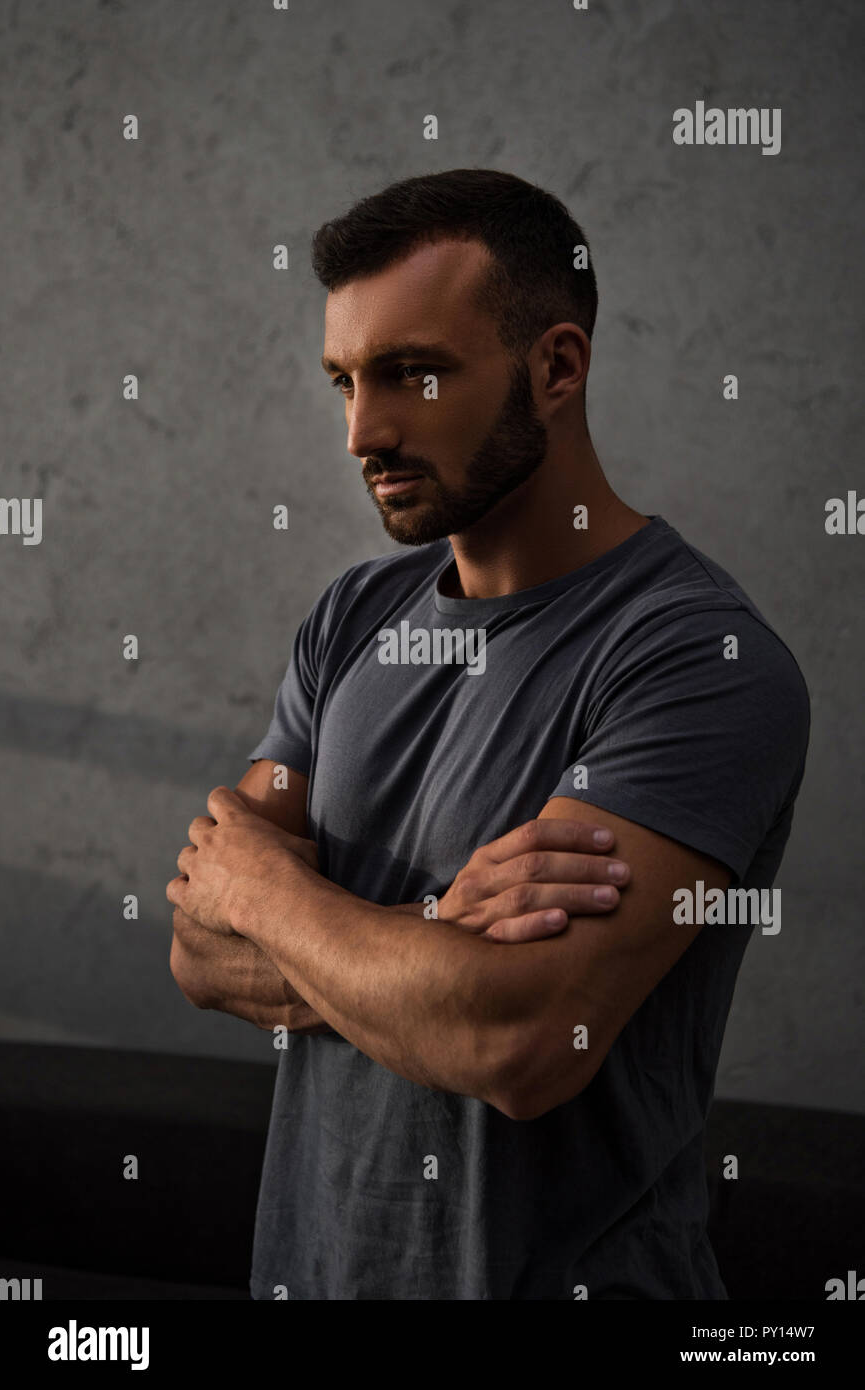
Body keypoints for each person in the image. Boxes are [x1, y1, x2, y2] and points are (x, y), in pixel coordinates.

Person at [167, 169, 810, 1300]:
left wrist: (267, 894)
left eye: (414, 373)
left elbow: (517, 1038)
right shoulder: (349, 620)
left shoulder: (699, 660)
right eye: (345, 383)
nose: (365, 429)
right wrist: (430, 943)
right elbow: (194, 951)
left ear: (556, 367)